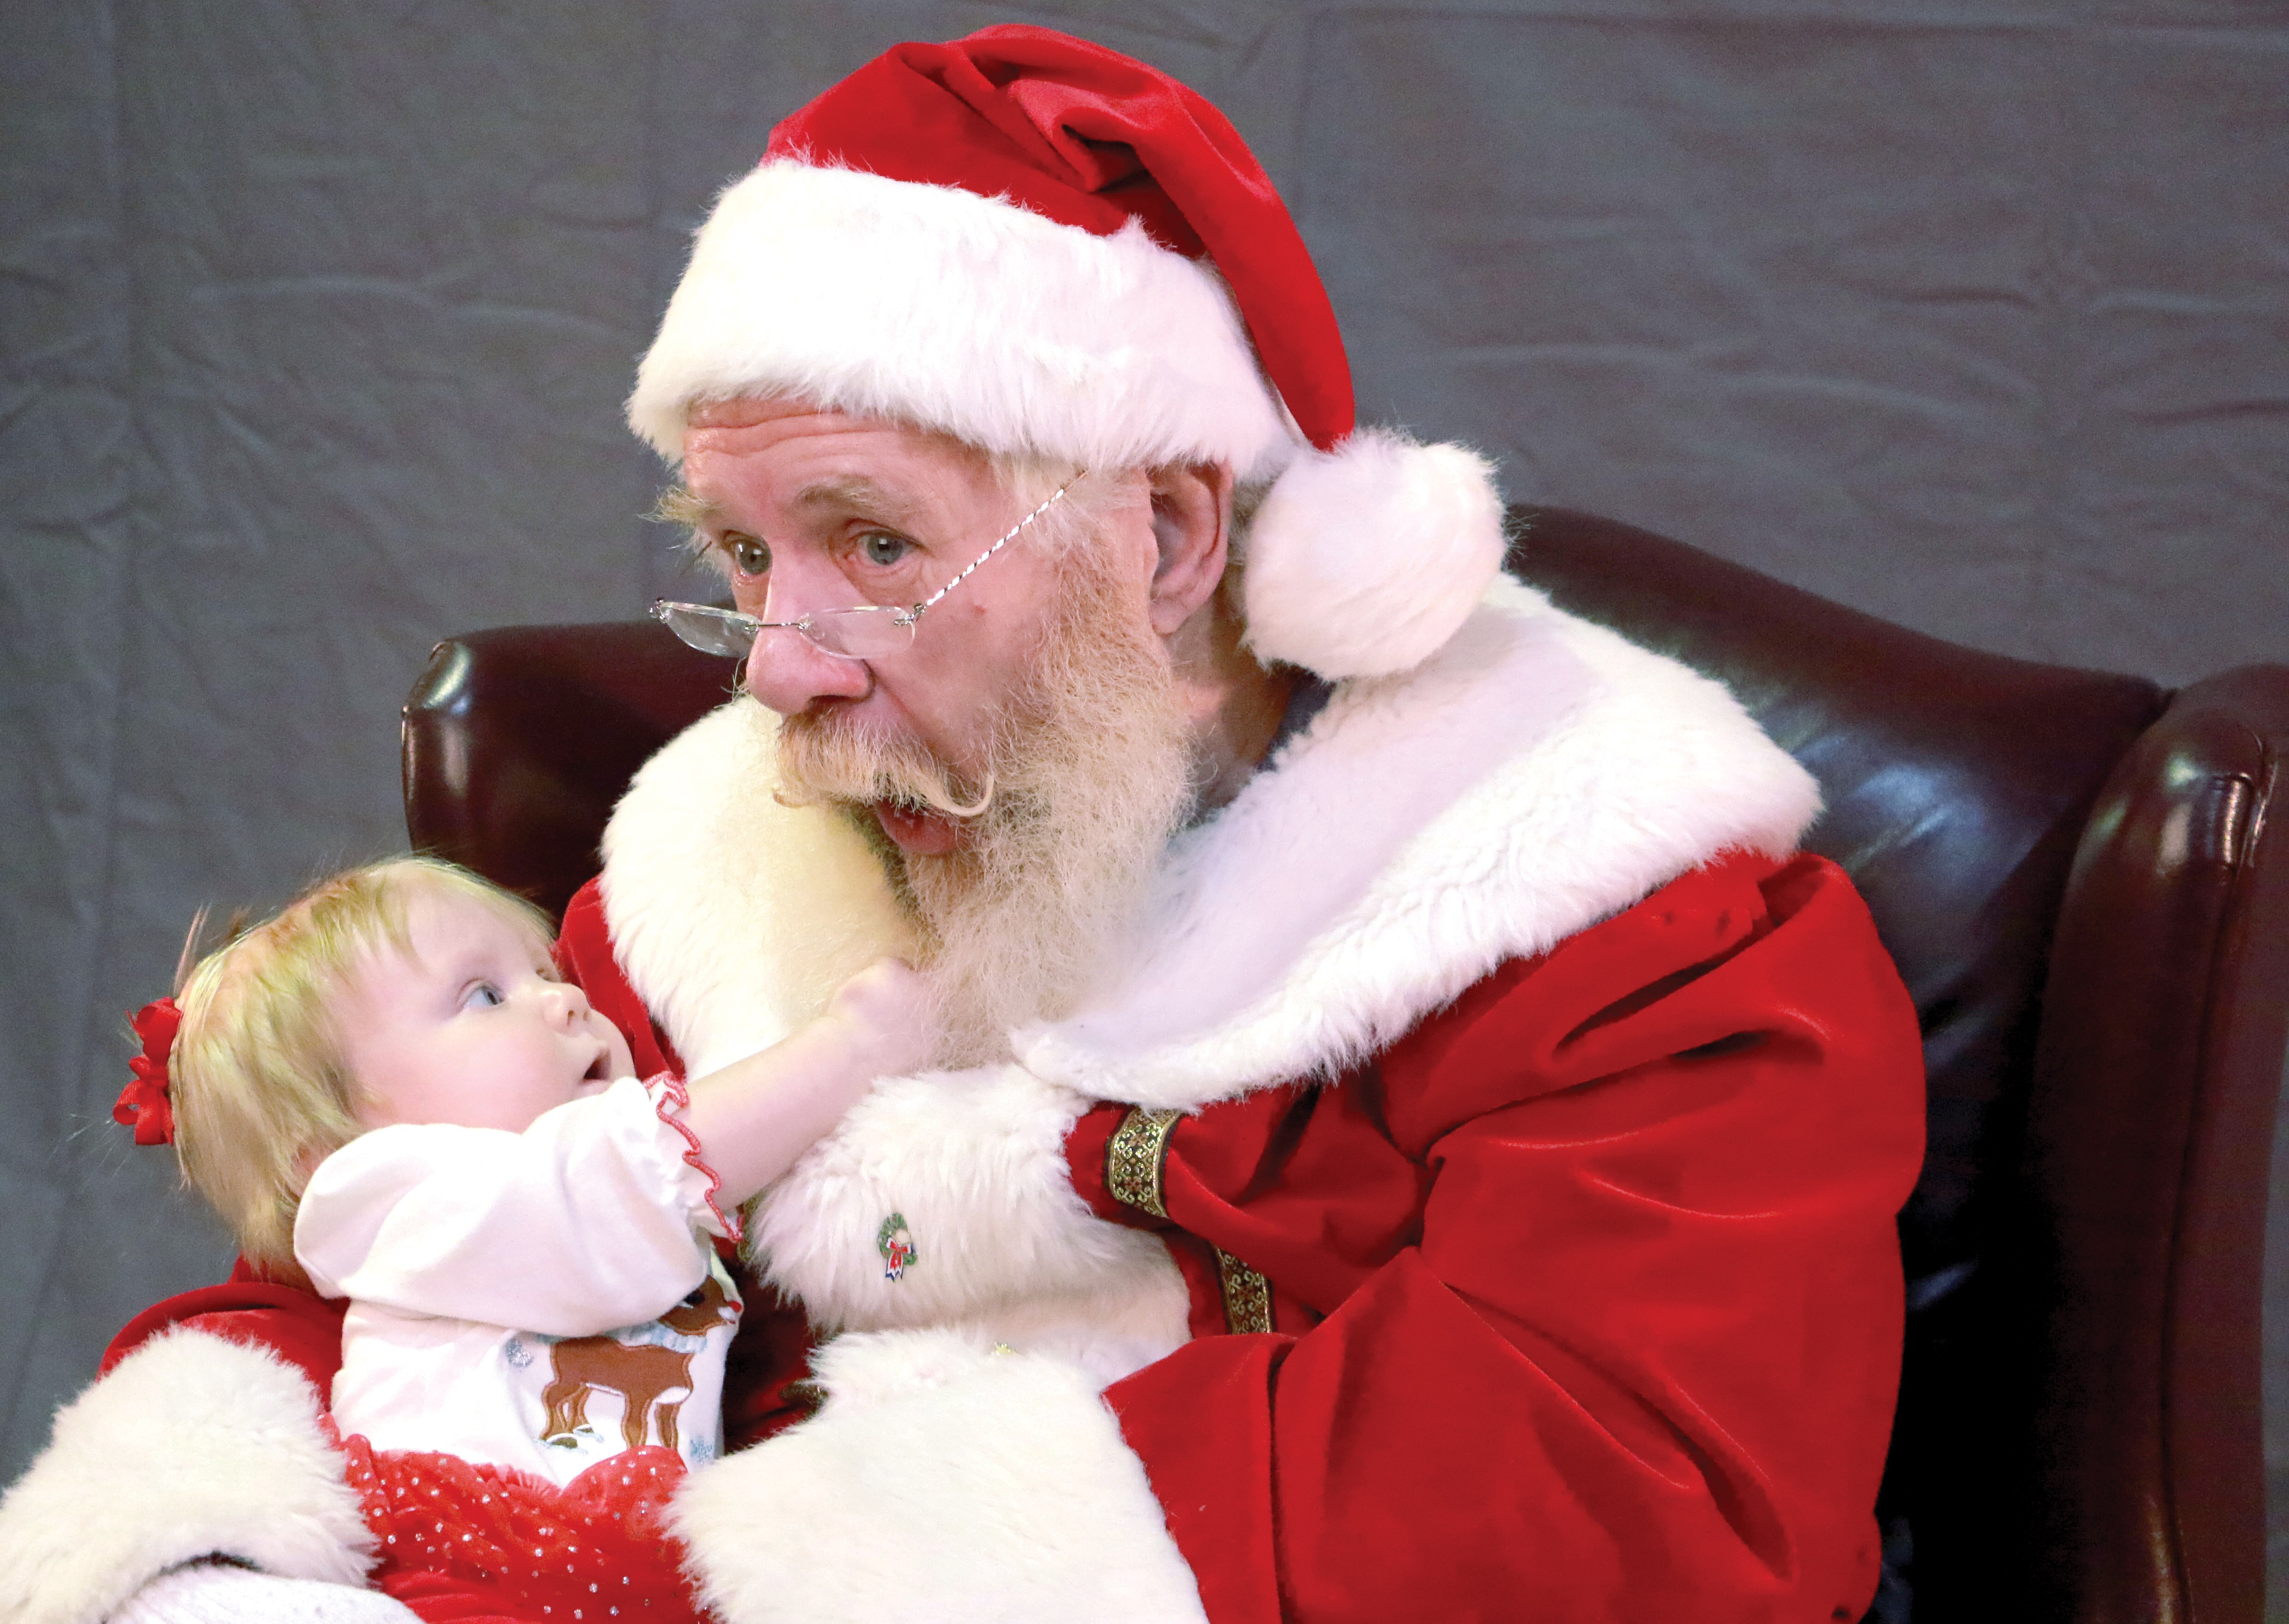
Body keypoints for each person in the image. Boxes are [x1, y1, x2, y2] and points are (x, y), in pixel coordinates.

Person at [0, 25, 1926, 1624]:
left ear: (1165, 537)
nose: (778, 671)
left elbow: (1630, 1501)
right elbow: (420, 1265)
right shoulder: (720, 871)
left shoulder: (1611, 913)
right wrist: (211, 1560)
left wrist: (818, 1566)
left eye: (872, 545)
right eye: (741, 551)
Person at [32, 856, 927, 1622]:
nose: (565, 1002)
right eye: (486, 996)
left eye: (547, 973)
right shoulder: (386, 1199)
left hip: (630, 1563)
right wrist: (852, 1046)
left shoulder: (605, 1190)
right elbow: (608, 1186)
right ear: (332, 1143)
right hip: (466, 1557)